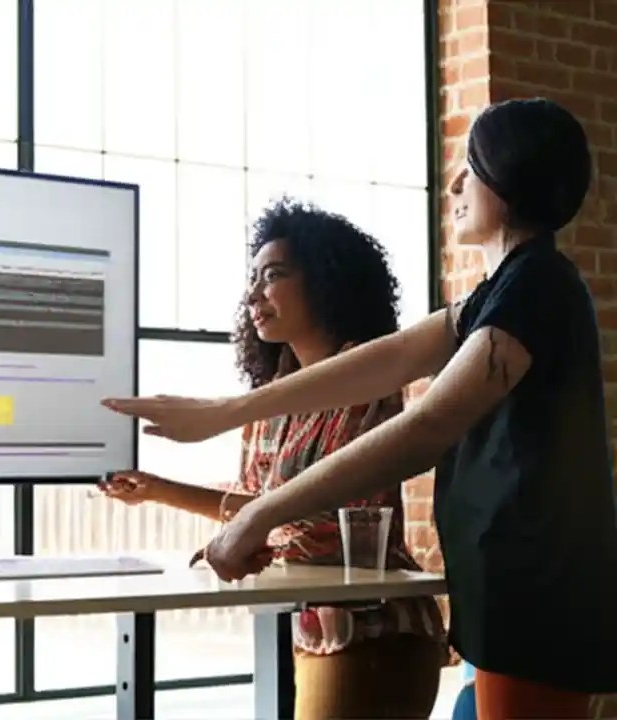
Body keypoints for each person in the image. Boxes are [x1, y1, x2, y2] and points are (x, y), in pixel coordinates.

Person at [103, 96, 617, 719]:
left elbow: (428, 425)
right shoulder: (500, 292)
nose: (456, 182)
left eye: (471, 167)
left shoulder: (537, 287)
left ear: (509, 181)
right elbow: (386, 358)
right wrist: (224, 412)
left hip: (538, 606)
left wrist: (259, 514)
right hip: (508, 600)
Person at [98, 197, 445, 719]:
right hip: (306, 623)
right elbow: (264, 507)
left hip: (378, 627)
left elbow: (335, 523)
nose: (254, 294)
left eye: (274, 275)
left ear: (327, 282)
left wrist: (256, 530)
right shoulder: (272, 399)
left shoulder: (369, 380)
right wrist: (157, 489)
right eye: (252, 279)